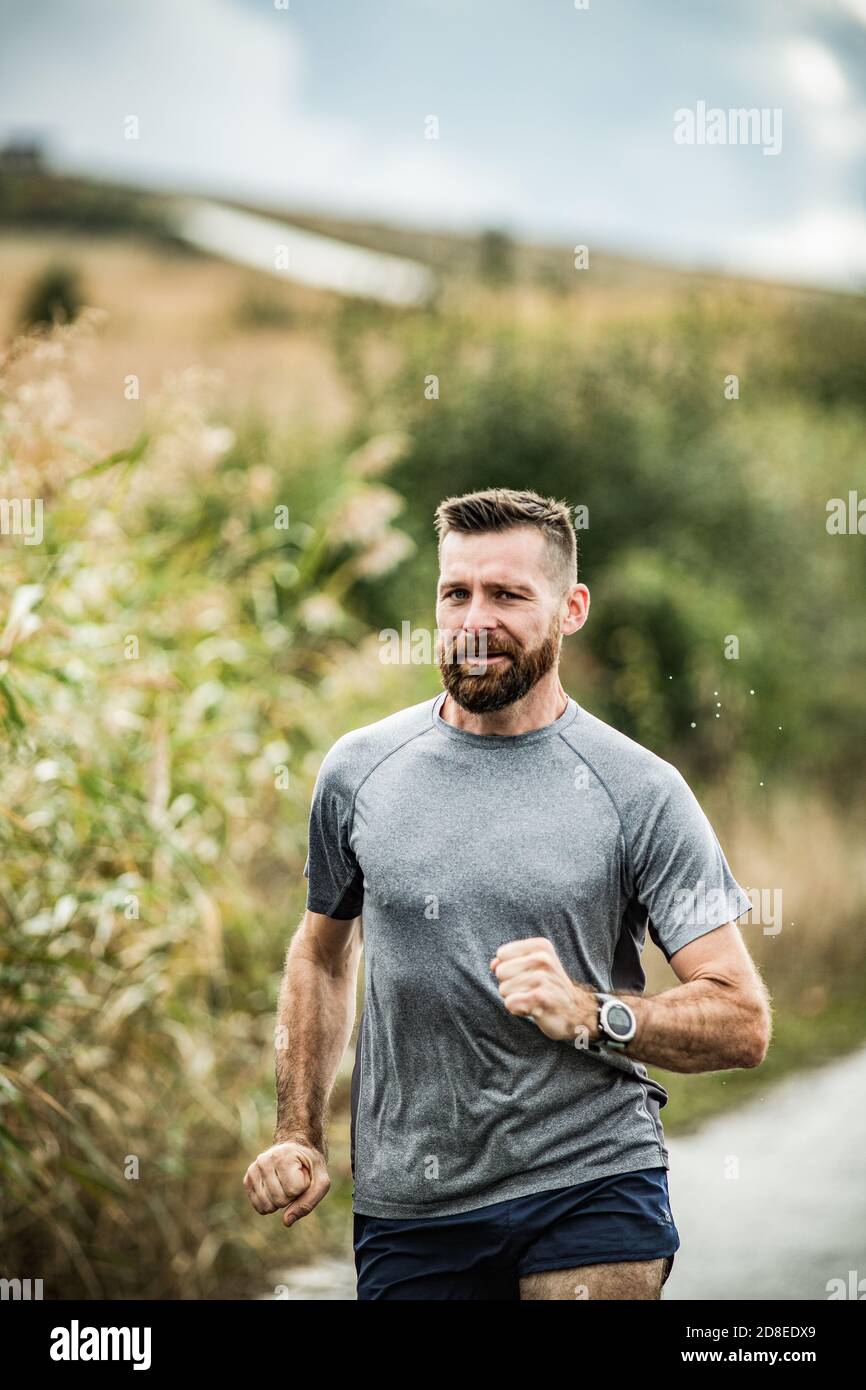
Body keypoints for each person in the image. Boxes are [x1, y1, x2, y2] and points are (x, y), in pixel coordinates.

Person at [243, 486, 772, 1300]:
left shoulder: (640, 790)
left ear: (571, 609)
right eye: (456, 593)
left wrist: (597, 1015)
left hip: (590, 1178)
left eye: (508, 595)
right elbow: (320, 954)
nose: (474, 620)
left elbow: (742, 1019)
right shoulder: (359, 771)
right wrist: (297, 1134)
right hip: (411, 1203)